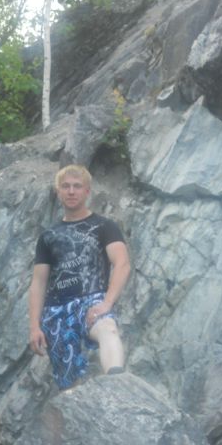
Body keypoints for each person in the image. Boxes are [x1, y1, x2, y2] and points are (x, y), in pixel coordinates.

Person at [29, 164, 131, 390]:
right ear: (58, 192)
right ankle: (77, 405)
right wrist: (34, 327)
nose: (71, 191)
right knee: (68, 382)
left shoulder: (104, 226)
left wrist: (107, 303)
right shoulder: (48, 236)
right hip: (56, 311)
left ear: (87, 191)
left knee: (108, 328)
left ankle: (118, 383)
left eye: (77, 186)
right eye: (66, 186)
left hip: (92, 299)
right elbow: (38, 282)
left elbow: (122, 264)